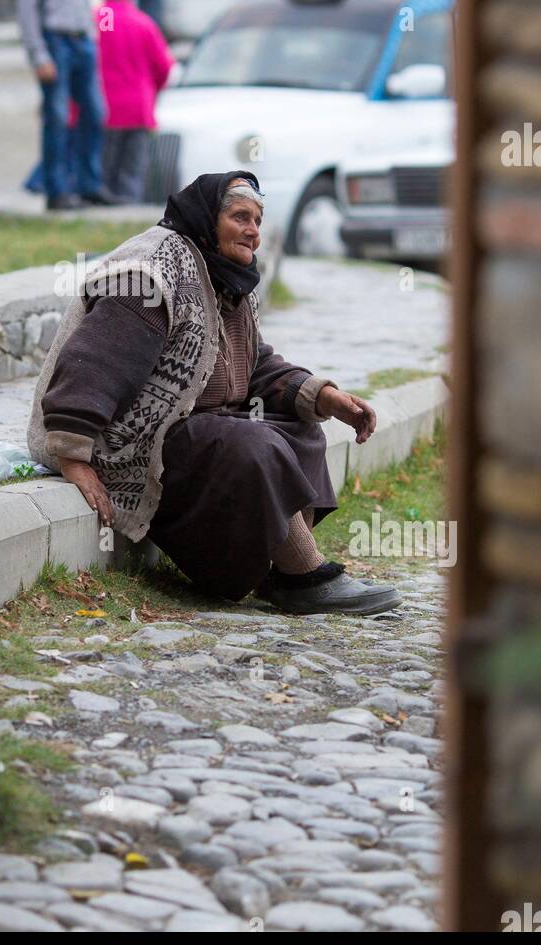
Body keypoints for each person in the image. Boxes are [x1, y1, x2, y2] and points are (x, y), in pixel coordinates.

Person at [27, 170, 400, 614]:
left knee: (301, 428)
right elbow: (95, 363)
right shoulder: (152, 274)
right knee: (254, 446)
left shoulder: (226, 277)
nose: (253, 232)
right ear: (206, 217)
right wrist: (72, 455)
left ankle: (282, 569)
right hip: (125, 445)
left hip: (190, 431)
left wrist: (319, 395)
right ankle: (304, 578)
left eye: (258, 221)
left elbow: (253, 363)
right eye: (240, 216)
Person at [10, 0, 121, 211]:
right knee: (57, 116)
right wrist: (37, 54)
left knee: (95, 112)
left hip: (82, 39)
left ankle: (90, 184)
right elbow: (27, 9)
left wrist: (95, 33)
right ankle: (56, 190)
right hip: (53, 40)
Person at [92, 0, 175, 203]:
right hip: (138, 107)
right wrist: (152, 91)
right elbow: (164, 66)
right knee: (131, 173)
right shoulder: (143, 22)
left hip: (104, 107)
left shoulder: (97, 19)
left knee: (103, 171)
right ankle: (127, 217)